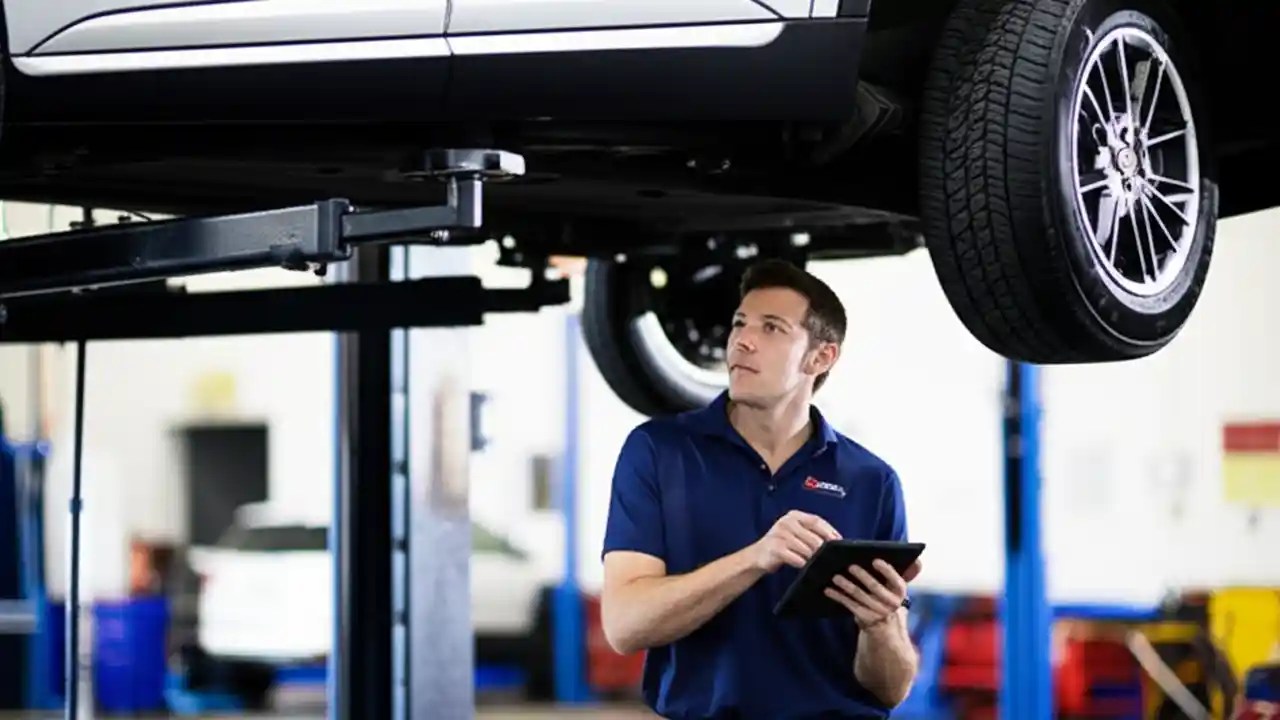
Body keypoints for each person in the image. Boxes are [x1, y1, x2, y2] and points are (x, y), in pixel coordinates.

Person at [599, 258, 922, 719]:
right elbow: (625, 626)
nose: (741, 341)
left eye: (771, 328)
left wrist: (882, 626)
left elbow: (890, 690)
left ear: (821, 357)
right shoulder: (659, 452)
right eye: (739, 323)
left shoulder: (872, 481)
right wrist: (756, 558)